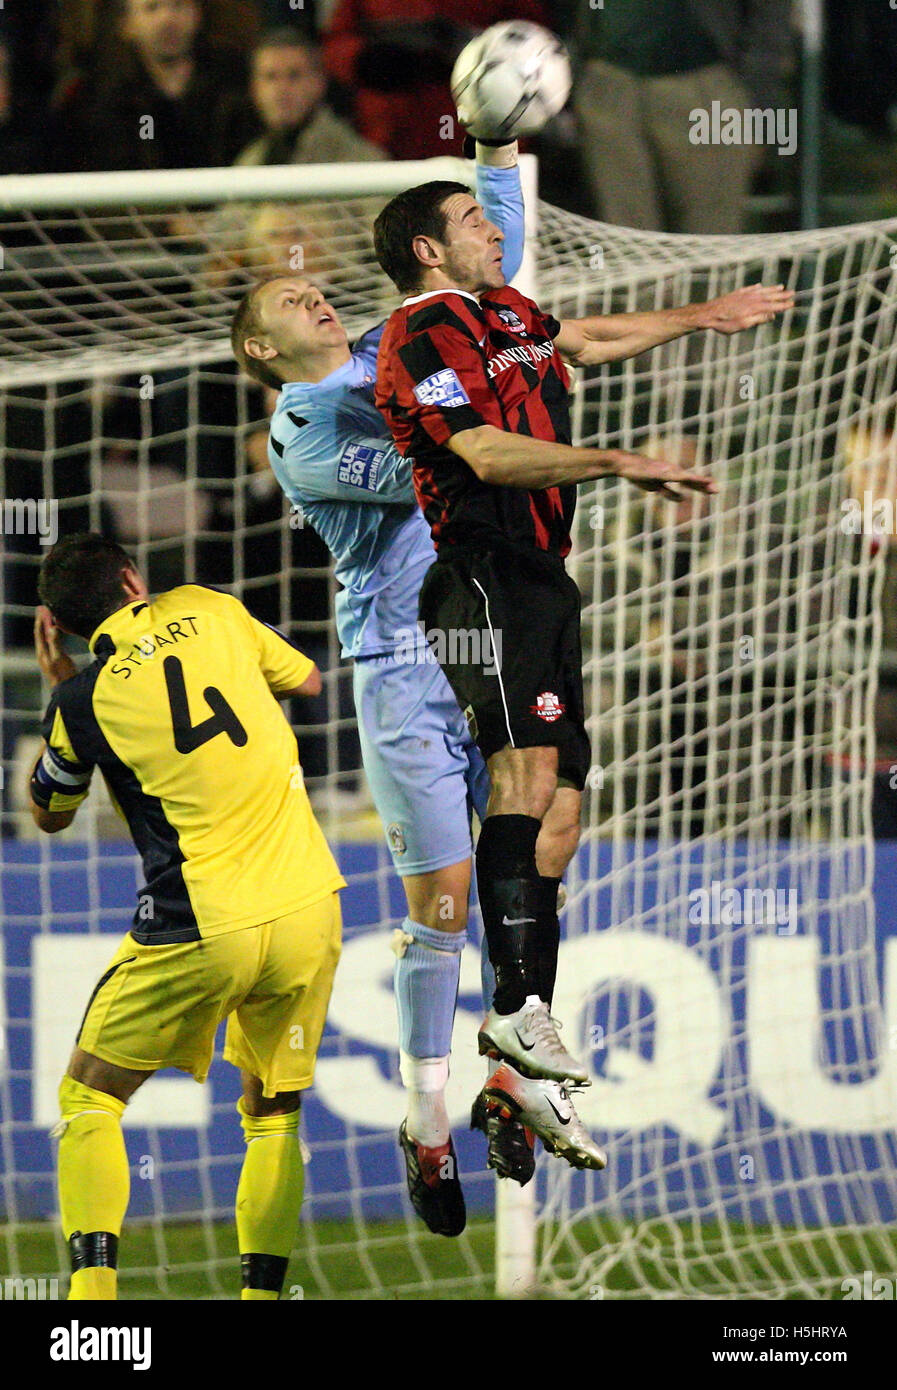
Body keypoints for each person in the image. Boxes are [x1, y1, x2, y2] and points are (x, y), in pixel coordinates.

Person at [372, 179, 792, 1143]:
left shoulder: (507, 311)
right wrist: (619, 462)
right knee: (523, 773)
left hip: (543, 578)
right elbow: (481, 452)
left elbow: (584, 339)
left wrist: (702, 316)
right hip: (480, 572)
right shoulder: (421, 335)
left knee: (560, 811)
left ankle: (515, 1079)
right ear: (430, 250)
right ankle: (514, 1010)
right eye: (475, 220)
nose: (495, 228)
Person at [231, 139, 541, 1237]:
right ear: (265, 348)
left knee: (534, 854)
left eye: (317, 285)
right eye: (290, 301)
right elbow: (434, 459)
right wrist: (478, 398)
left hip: (482, 646)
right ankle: (424, 1115)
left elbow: (473, 276)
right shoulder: (304, 428)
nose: (316, 296)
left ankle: (508, 1069)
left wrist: (498, 162)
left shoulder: (383, 354)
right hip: (405, 669)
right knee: (442, 909)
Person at [29, 532, 344, 1300]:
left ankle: (93, 1305)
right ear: (134, 577)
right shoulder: (212, 607)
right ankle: (260, 1299)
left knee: (90, 1096)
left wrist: (64, 691)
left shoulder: (81, 699)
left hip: (205, 920)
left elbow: (49, 812)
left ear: (61, 625)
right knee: (271, 1112)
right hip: (307, 903)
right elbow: (306, 682)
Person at [565, 0, 794, 233]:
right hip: (608, 80)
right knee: (624, 248)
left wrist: (757, 97)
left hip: (704, 83)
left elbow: (771, 14)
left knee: (708, 245)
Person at [55, 0, 247, 173]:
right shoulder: (104, 96)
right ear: (126, 25)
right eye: (152, 7)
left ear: (197, 14)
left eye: (178, 5)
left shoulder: (235, 80)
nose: (167, 19)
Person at [235, 28, 386, 168]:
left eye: (294, 75)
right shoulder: (248, 162)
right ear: (254, 88)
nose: (282, 88)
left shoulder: (360, 162)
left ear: (319, 83)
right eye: (270, 77)